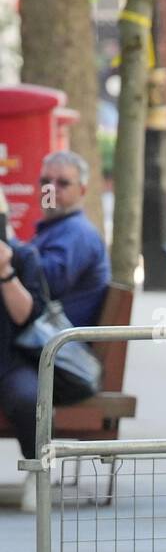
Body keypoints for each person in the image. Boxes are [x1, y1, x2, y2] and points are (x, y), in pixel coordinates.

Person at [32, 151, 110, 328]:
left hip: (59, 344)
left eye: (63, 183)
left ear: (82, 190)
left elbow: (45, 283)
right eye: (45, 182)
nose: (51, 190)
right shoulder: (57, 227)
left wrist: (12, 252)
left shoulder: (78, 232)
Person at [0, 189, 47, 480]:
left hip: (13, 360)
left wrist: (5, 272)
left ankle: (37, 471)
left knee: (28, 399)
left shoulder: (23, 256)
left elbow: (25, 315)